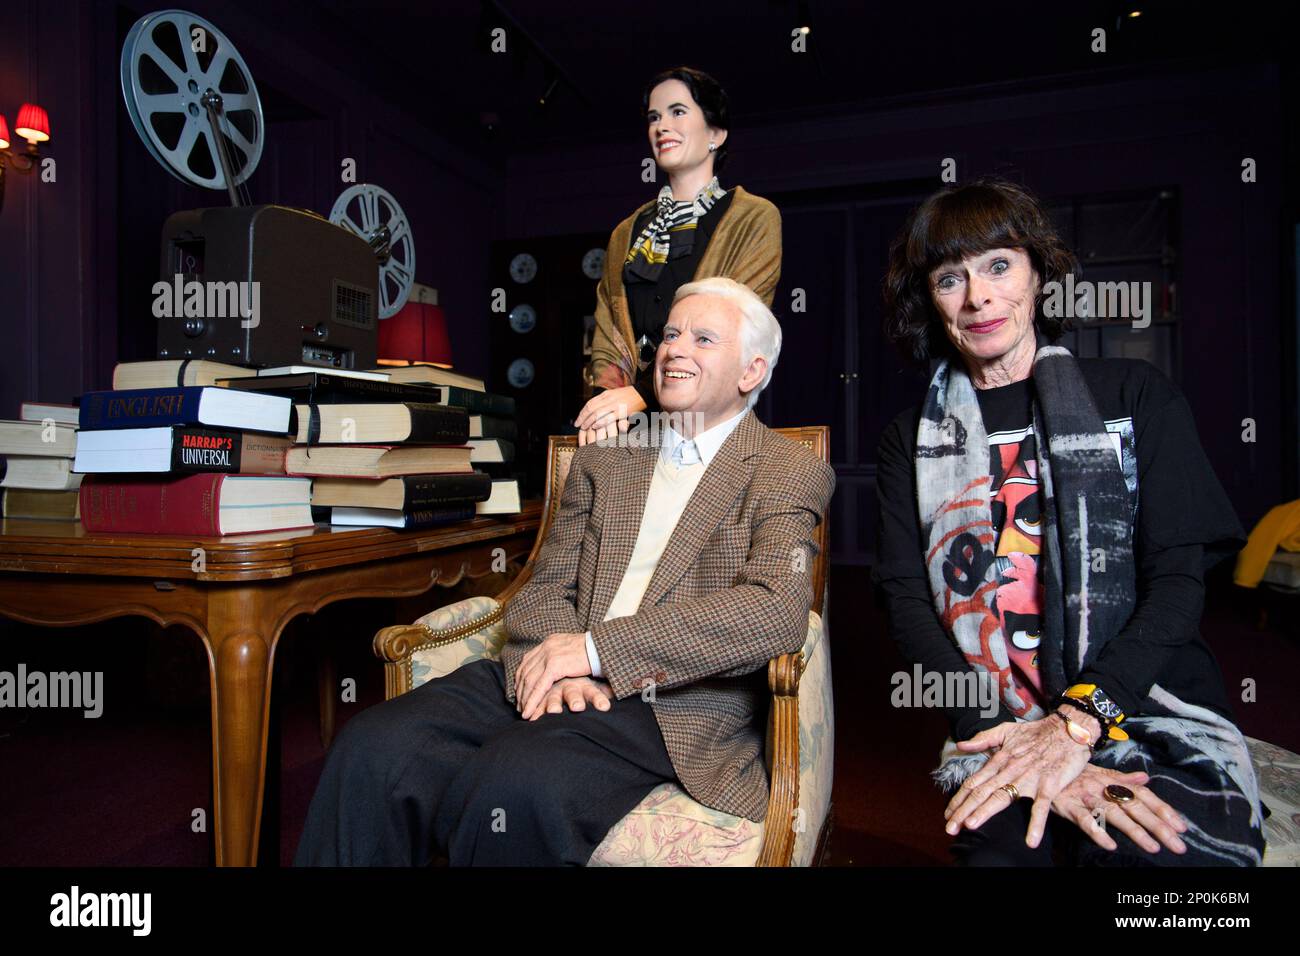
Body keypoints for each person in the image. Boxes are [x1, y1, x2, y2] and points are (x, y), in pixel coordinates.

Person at [294, 277, 834, 865]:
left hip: (674, 701)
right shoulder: (605, 459)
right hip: (550, 665)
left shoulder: (785, 469)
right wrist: (561, 663)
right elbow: (547, 582)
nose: (676, 349)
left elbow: (774, 610)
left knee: (514, 783)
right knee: (372, 749)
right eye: (672, 334)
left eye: (704, 338)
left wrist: (597, 652)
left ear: (751, 372)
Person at [873, 177, 1264, 866]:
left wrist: (1079, 724)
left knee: (1147, 859)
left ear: (1038, 275)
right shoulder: (908, 438)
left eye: (999, 265)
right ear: (930, 304)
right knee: (1001, 855)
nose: (979, 296)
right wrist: (1000, 733)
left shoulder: (1136, 396)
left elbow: (1176, 582)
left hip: (1145, 704)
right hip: (999, 720)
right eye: (949, 279)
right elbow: (906, 603)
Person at [574, 66, 782, 446]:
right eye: (654, 117)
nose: (661, 126)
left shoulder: (755, 218)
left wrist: (640, 395)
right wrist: (606, 404)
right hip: (632, 425)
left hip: (711, 423)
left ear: (716, 134)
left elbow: (733, 333)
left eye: (678, 112)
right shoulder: (627, 232)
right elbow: (608, 330)